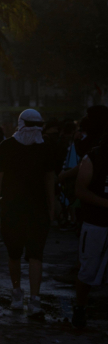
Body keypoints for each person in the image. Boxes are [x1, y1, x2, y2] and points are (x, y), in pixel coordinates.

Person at [0, 109, 58, 316]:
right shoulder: (43, 147)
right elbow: (49, 179)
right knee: (26, 254)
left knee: (23, 254)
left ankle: (22, 295)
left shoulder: (8, 146)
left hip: (17, 209)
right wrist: (52, 206)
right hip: (29, 209)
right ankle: (29, 297)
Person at [71, 127, 108, 328]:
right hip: (95, 224)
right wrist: (105, 204)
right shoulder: (93, 158)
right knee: (88, 269)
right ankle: (80, 308)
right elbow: (80, 190)